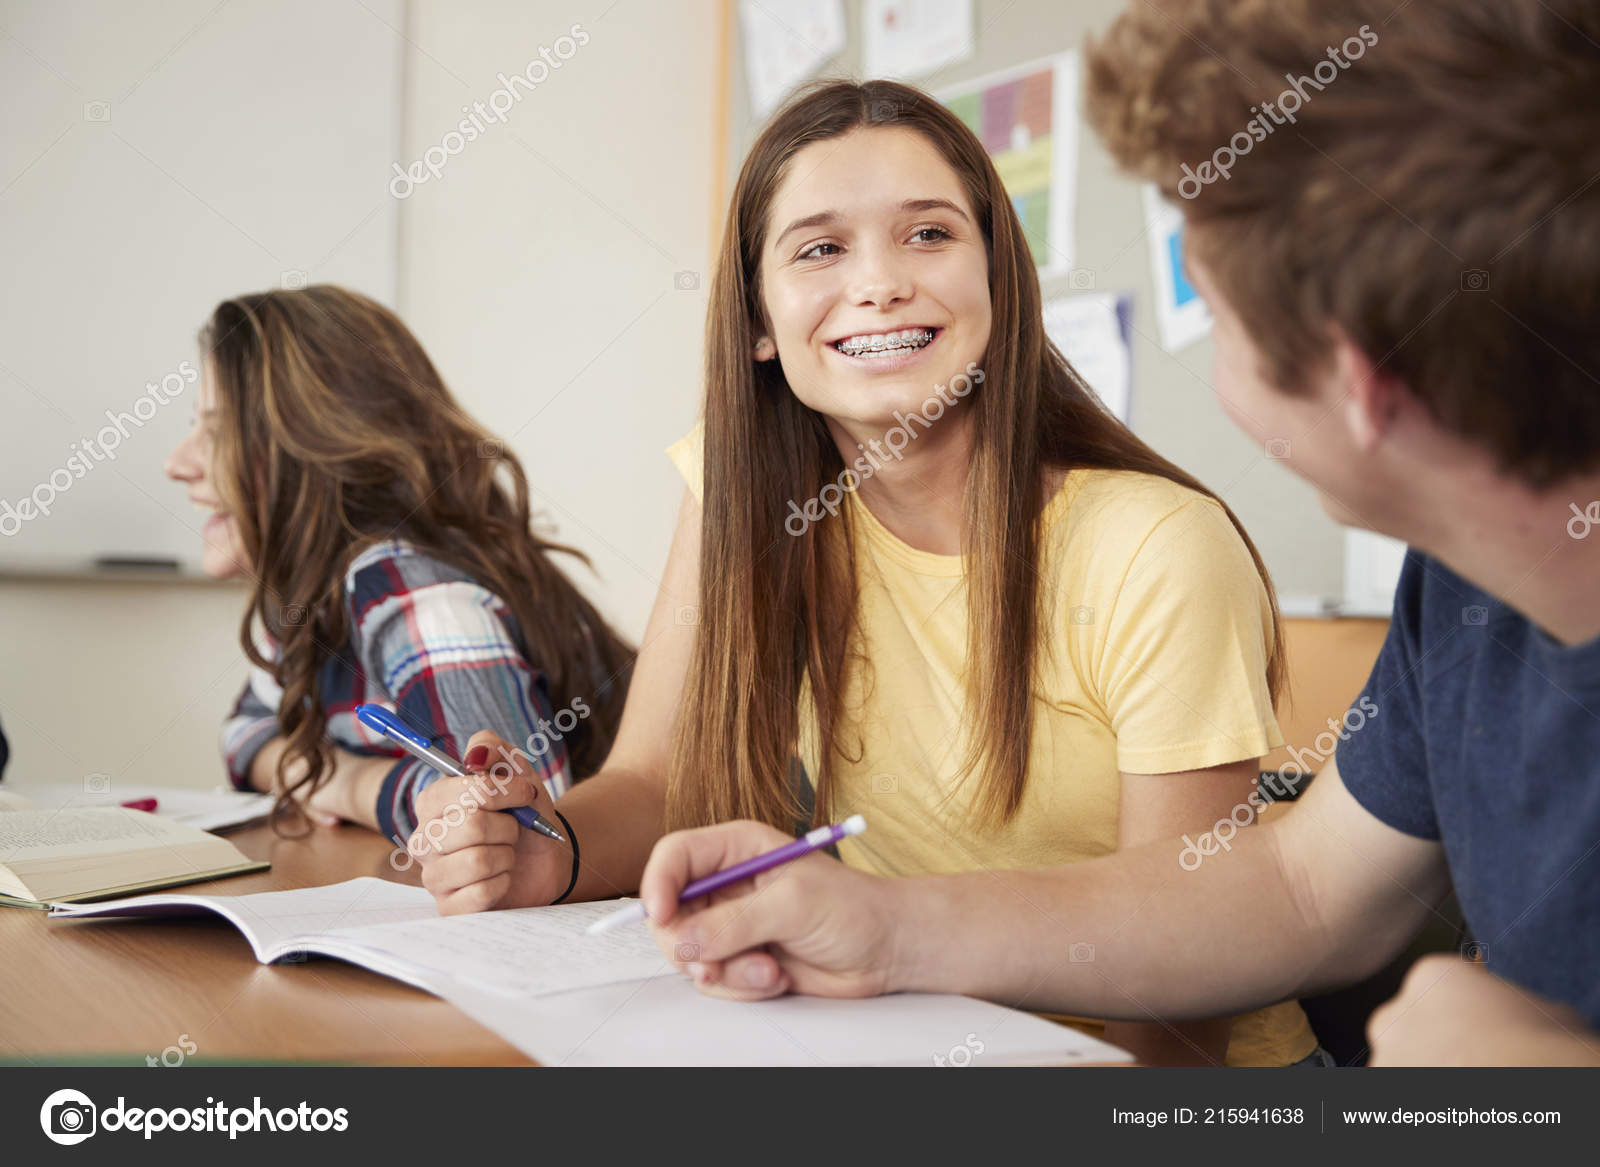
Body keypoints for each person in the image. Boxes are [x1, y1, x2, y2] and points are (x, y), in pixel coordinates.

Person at [633, 0, 1600, 1067]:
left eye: (1216, 311)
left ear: (1357, 384)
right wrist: (881, 929)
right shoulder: (1464, 589)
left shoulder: (1154, 541)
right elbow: (1300, 887)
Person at [409, 79, 1325, 1064]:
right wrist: (542, 849)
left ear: (997, 284)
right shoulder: (738, 487)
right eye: (820, 248)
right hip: (906, 1041)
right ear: (758, 322)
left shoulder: (1154, 546)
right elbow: (658, 779)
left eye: (928, 234)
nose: (881, 282)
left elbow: (1185, 983)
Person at [164, 285, 632, 840]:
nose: (177, 463)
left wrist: (347, 785)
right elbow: (244, 735)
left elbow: (518, 828)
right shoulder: (306, 590)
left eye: (218, 432)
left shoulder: (415, 600)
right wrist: (343, 779)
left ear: (314, 447)